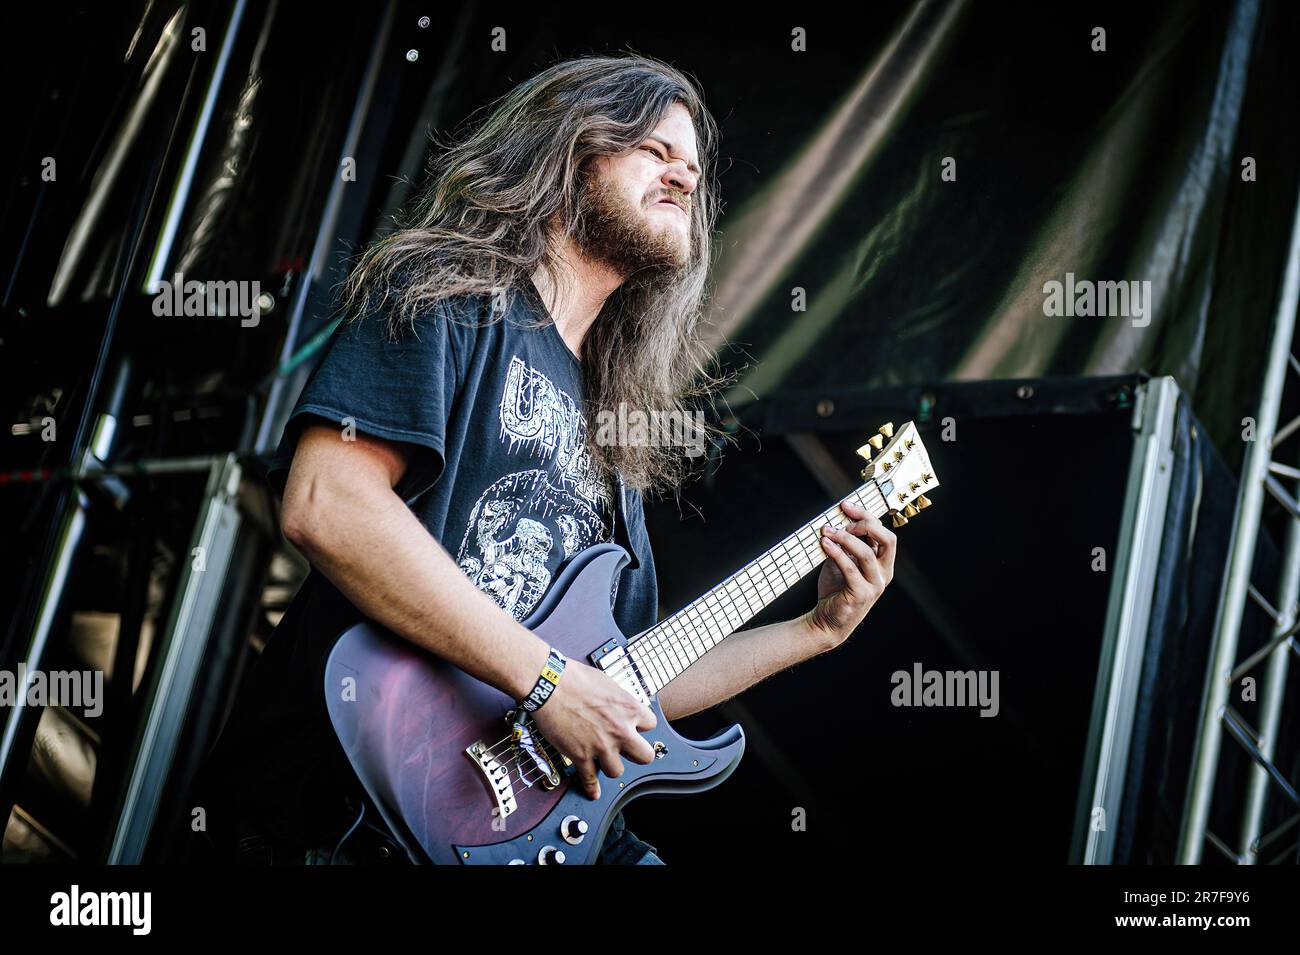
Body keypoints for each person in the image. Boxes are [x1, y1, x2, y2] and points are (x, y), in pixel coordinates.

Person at [189, 53, 896, 866]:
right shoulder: (450, 294)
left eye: (694, 169)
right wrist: (549, 682)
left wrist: (815, 628)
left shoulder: (611, 428)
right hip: (346, 812)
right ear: (570, 149)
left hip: (514, 830)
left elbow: (626, 690)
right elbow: (327, 503)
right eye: (655, 151)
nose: (684, 179)